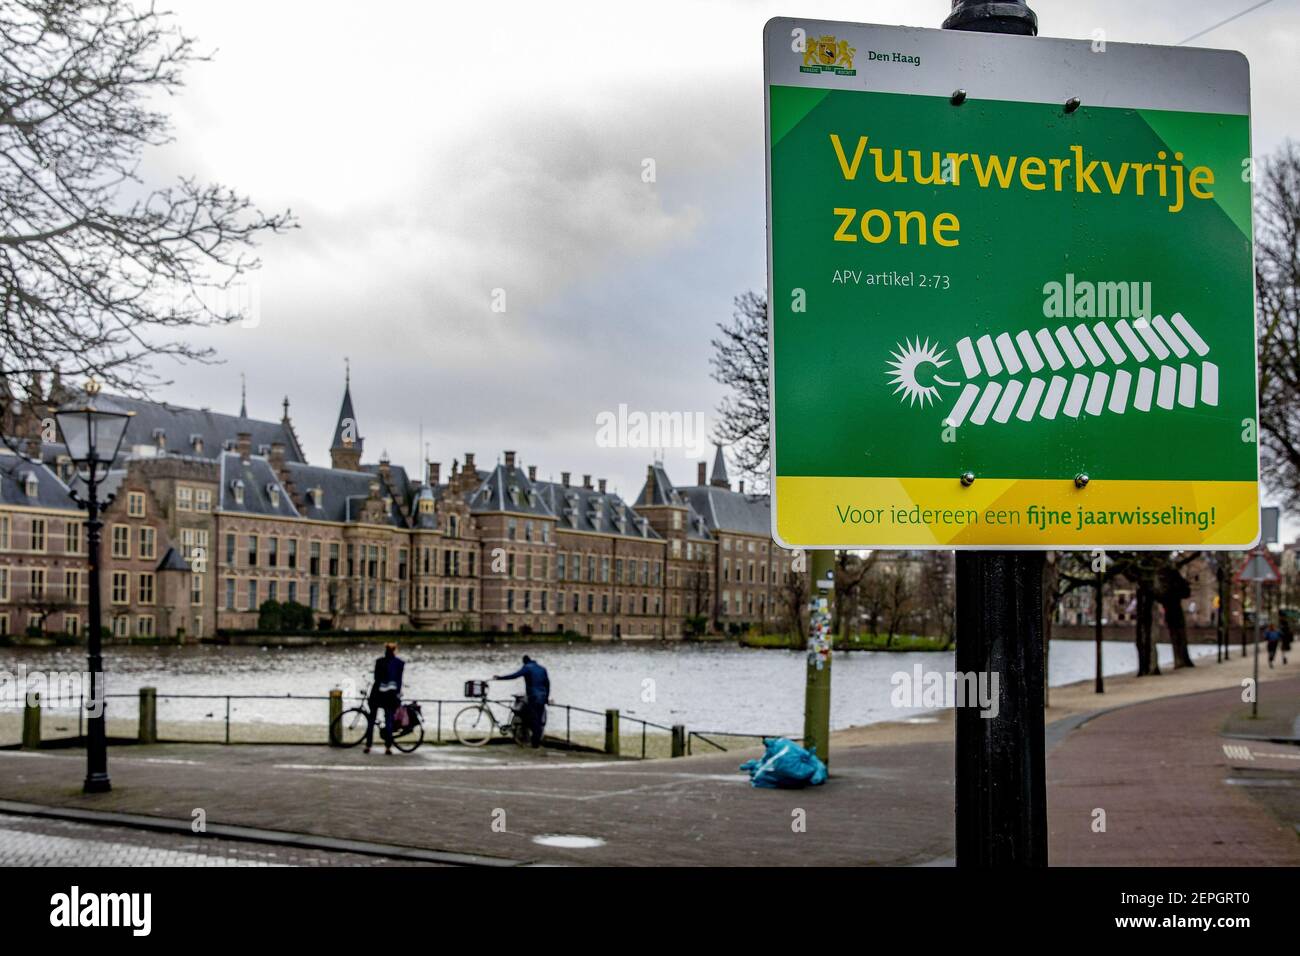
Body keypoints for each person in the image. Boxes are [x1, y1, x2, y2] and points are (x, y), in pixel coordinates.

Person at [494, 655, 550, 748]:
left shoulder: (527, 668)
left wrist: (500, 678)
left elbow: (514, 675)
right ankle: (536, 742)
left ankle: (534, 743)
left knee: (533, 719)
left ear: (524, 662)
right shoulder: (542, 669)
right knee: (539, 720)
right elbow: (547, 684)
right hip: (542, 697)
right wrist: (546, 697)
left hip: (533, 697)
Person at [365, 642, 404, 754]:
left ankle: (368, 745)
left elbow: (376, 678)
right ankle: (388, 747)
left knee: (371, 720)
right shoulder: (399, 663)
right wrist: (397, 693)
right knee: (389, 720)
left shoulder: (379, 662)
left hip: (377, 694)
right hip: (390, 695)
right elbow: (399, 681)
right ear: (395, 650)